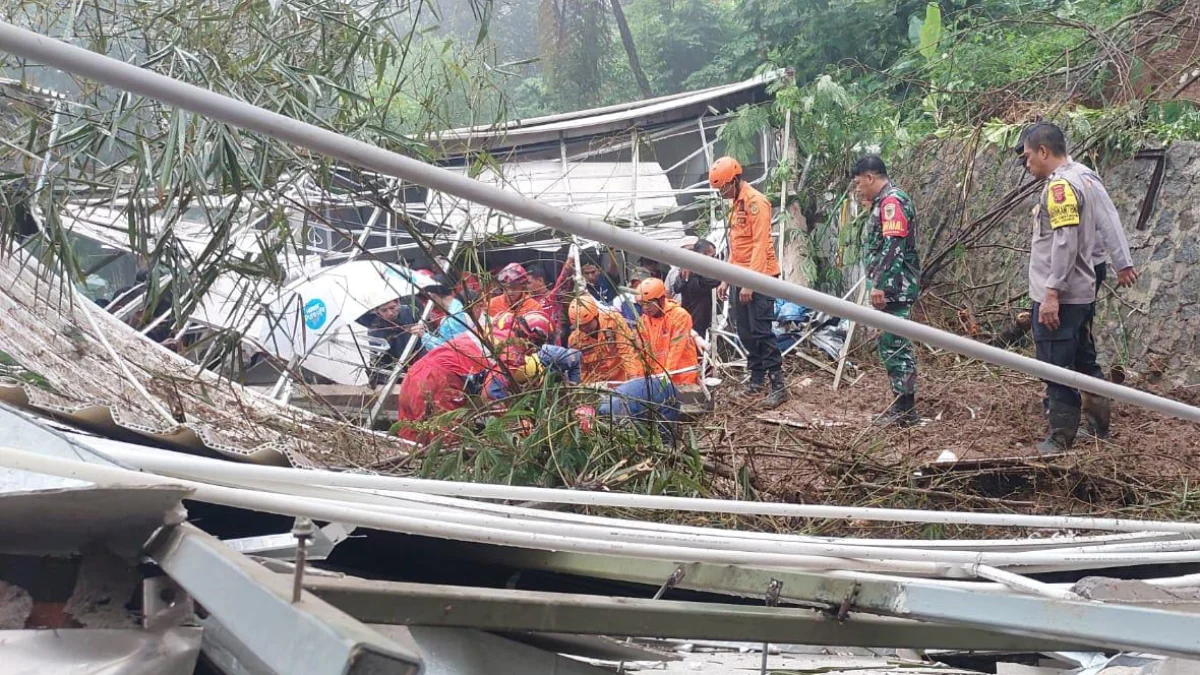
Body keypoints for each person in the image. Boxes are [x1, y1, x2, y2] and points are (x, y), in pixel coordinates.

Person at [1014, 125, 1138, 437]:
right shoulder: (1084, 175)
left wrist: (1051, 292)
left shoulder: (1060, 187)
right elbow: (1109, 218)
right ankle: (1098, 427)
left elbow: (1064, 242)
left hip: (1063, 292)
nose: (1026, 163)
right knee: (1084, 357)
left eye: (1028, 156)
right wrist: (1122, 261)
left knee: (1055, 363)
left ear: (1043, 151)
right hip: (1083, 285)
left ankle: (1061, 437)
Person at [395, 309, 552, 443]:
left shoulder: (494, 326)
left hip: (418, 369)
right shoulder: (511, 354)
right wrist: (515, 422)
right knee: (444, 439)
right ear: (532, 341)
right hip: (440, 380)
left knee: (410, 433)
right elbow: (491, 394)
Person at [709, 156, 788, 408]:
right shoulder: (736, 204)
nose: (722, 194)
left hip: (760, 277)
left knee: (761, 331)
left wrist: (750, 283)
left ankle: (778, 385)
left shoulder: (756, 202)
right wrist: (726, 279)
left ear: (734, 180)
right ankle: (756, 380)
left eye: (723, 189)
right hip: (740, 276)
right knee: (744, 331)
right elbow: (737, 246)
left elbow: (759, 244)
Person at [852, 154, 922, 427]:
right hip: (892, 286)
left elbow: (893, 247)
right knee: (891, 344)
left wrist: (880, 283)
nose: (858, 189)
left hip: (895, 287)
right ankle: (900, 406)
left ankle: (905, 411)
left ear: (870, 177)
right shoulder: (884, 202)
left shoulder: (892, 202)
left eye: (859, 182)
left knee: (896, 345)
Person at [635, 278, 699, 386]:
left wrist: (663, 382)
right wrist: (641, 382)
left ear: (661, 299)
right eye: (642, 304)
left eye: (649, 303)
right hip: (658, 380)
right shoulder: (643, 321)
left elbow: (676, 351)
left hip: (682, 379)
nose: (646, 308)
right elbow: (640, 354)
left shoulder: (679, 316)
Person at [567, 296, 644, 384]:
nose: (584, 328)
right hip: (598, 384)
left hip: (622, 380)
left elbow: (627, 352)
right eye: (580, 326)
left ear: (596, 316)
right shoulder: (575, 340)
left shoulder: (614, 321)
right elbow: (582, 370)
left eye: (588, 324)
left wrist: (633, 379)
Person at [665, 238, 721, 337]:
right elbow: (676, 288)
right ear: (704, 254)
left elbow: (716, 280)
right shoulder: (683, 271)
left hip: (697, 318)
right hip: (690, 318)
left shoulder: (698, 272)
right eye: (712, 256)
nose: (714, 259)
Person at [408, 284, 473, 351]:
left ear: (434, 296)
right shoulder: (459, 305)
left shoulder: (450, 321)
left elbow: (444, 348)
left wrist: (423, 335)